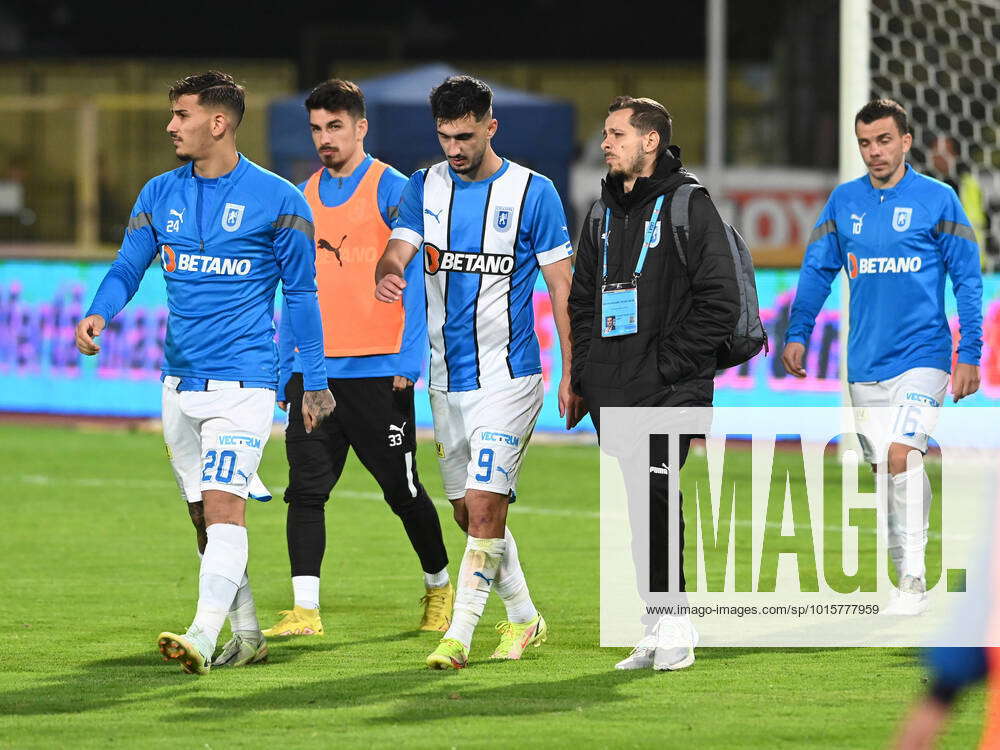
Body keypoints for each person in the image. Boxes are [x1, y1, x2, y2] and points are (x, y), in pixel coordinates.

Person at [74, 71, 334, 675]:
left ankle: (201, 633)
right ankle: (247, 633)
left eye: (182, 115)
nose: (171, 126)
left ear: (218, 123)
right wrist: (99, 311)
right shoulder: (158, 192)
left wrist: (314, 380)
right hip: (178, 382)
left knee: (223, 509)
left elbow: (302, 294)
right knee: (203, 518)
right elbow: (127, 267)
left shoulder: (279, 201)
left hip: (244, 384)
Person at [375, 75, 582, 670]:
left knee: (487, 505)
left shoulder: (533, 192)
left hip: (509, 377)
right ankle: (524, 617)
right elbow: (400, 246)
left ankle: (459, 636)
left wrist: (572, 371)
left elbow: (561, 287)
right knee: (470, 514)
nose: (454, 149)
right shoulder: (423, 186)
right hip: (446, 380)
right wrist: (388, 269)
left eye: (464, 137)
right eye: (444, 137)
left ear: (491, 127)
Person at [264, 79, 452, 639]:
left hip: (379, 373)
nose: (325, 138)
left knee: (403, 492)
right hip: (315, 374)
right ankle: (305, 611)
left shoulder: (393, 189)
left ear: (361, 127)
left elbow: (418, 279)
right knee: (305, 491)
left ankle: (439, 588)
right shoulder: (300, 198)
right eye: (316, 128)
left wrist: (409, 361)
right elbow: (293, 290)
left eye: (335, 126)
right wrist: (287, 369)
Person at [782, 98, 983, 615]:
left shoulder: (938, 200)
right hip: (865, 364)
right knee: (886, 471)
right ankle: (906, 573)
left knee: (901, 455)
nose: (874, 151)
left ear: (906, 142)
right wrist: (798, 330)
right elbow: (816, 270)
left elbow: (967, 278)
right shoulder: (843, 202)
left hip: (924, 357)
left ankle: (913, 580)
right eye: (866, 143)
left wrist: (969, 351)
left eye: (884, 140)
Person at [568, 96, 739, 672]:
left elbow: (720, 303)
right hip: (615, 390)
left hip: (670, 389)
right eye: (605, 133)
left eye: (616, 134)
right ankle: (656, 625)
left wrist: (664, 367)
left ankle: (676, 625)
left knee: (657, 497)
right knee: (639, 507)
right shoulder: (601, 212)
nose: (605, 143)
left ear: (650, 141)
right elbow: (582, 300)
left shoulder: (689, 204)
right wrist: (587, 371)